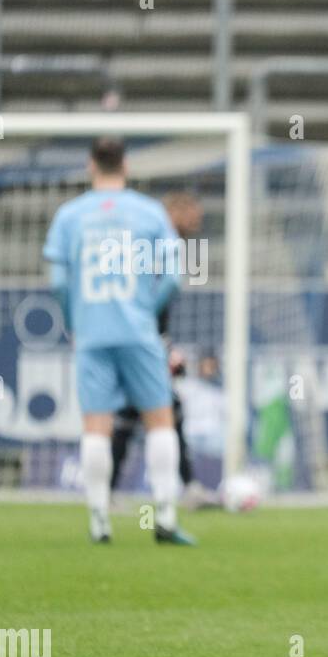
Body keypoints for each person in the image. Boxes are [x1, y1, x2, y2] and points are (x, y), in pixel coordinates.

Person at [44, 137, 195, 545]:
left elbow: (58, 280)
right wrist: (146, 310)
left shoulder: (70, 215)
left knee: (96, 424)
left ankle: (99, 521)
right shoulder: (148, 212)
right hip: (138, 329)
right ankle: (164, 517)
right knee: (159, 418)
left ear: (90, 165)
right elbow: (174, 277)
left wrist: (76, 319)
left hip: (92, 329)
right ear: (125, 165)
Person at [110, 193, 204, 505]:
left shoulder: (159, 250)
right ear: (171, 213)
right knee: (158, 415)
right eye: (189, 211)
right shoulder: (152, 252)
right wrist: (158, 349)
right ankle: (178, 495)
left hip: (143, 342)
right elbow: (146, 306)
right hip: (139, 344)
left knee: (137, 416)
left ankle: (110, 493)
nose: (196, 218)